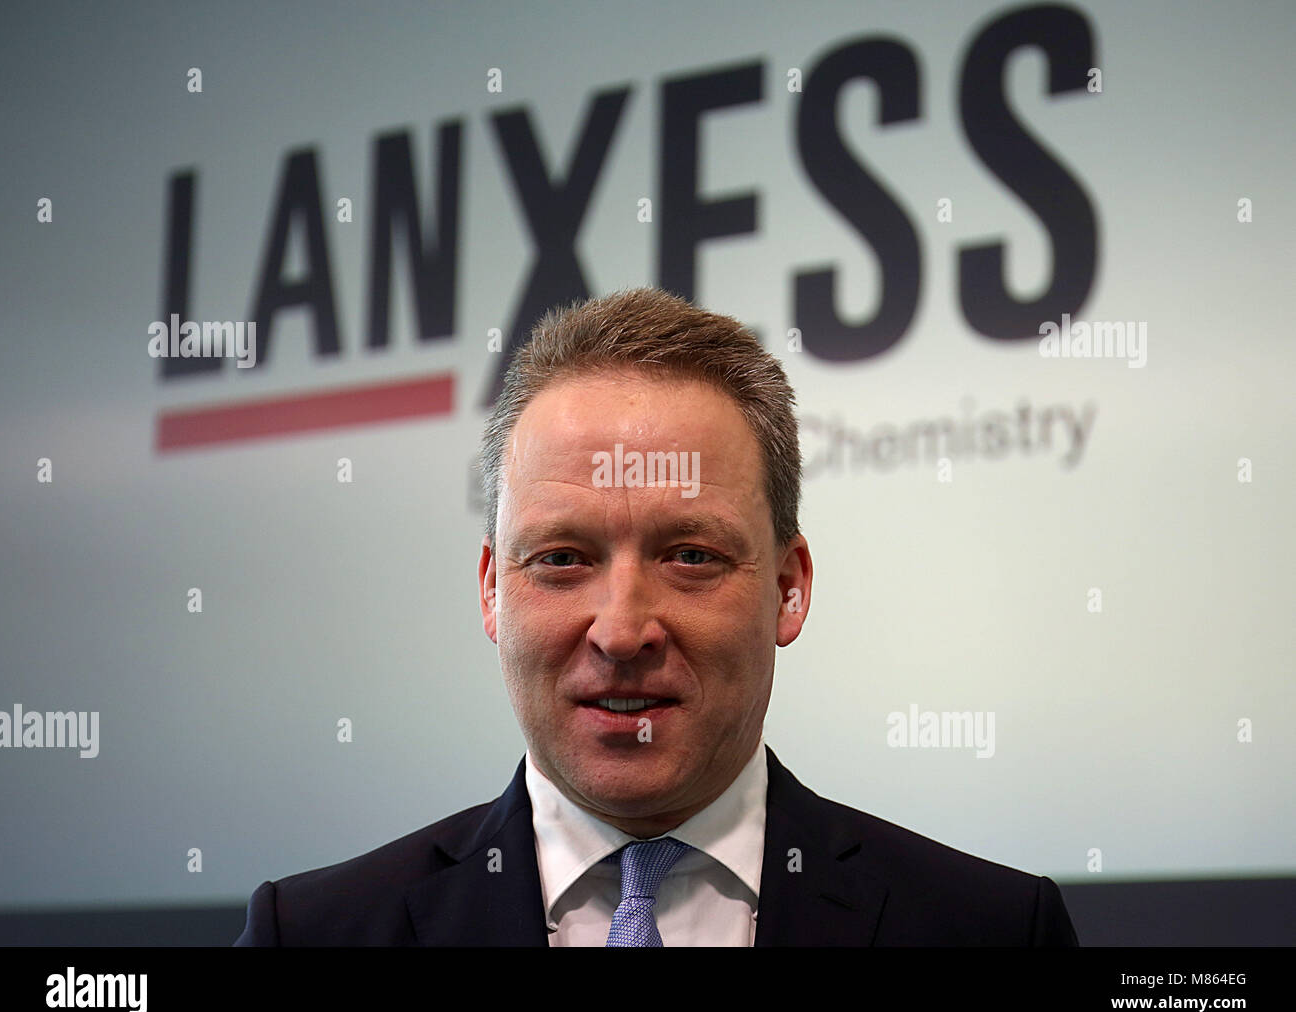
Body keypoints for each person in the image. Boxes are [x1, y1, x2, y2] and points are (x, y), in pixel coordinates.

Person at [234, 286, 1079, 947]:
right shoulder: (310, 934)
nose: (621, 630)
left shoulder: (993, 931)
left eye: (691, 557)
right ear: (492, 589)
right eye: (562, 558)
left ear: (789, 585)